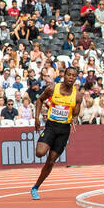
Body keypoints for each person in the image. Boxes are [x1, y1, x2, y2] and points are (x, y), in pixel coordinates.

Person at [31, 64, 83, 200]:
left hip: (64, 130)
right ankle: (45, 144)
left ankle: (35, 187)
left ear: (76, 78)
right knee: (39, 153)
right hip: (51, 126)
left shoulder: (77, 95)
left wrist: (74, 119)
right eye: (69, 75)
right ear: (63, 75)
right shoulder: (53, 88)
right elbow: (40, 99)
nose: (71, 78)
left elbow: (76, 113)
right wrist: (36, 118)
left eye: (74, 76)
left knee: (51, 161)